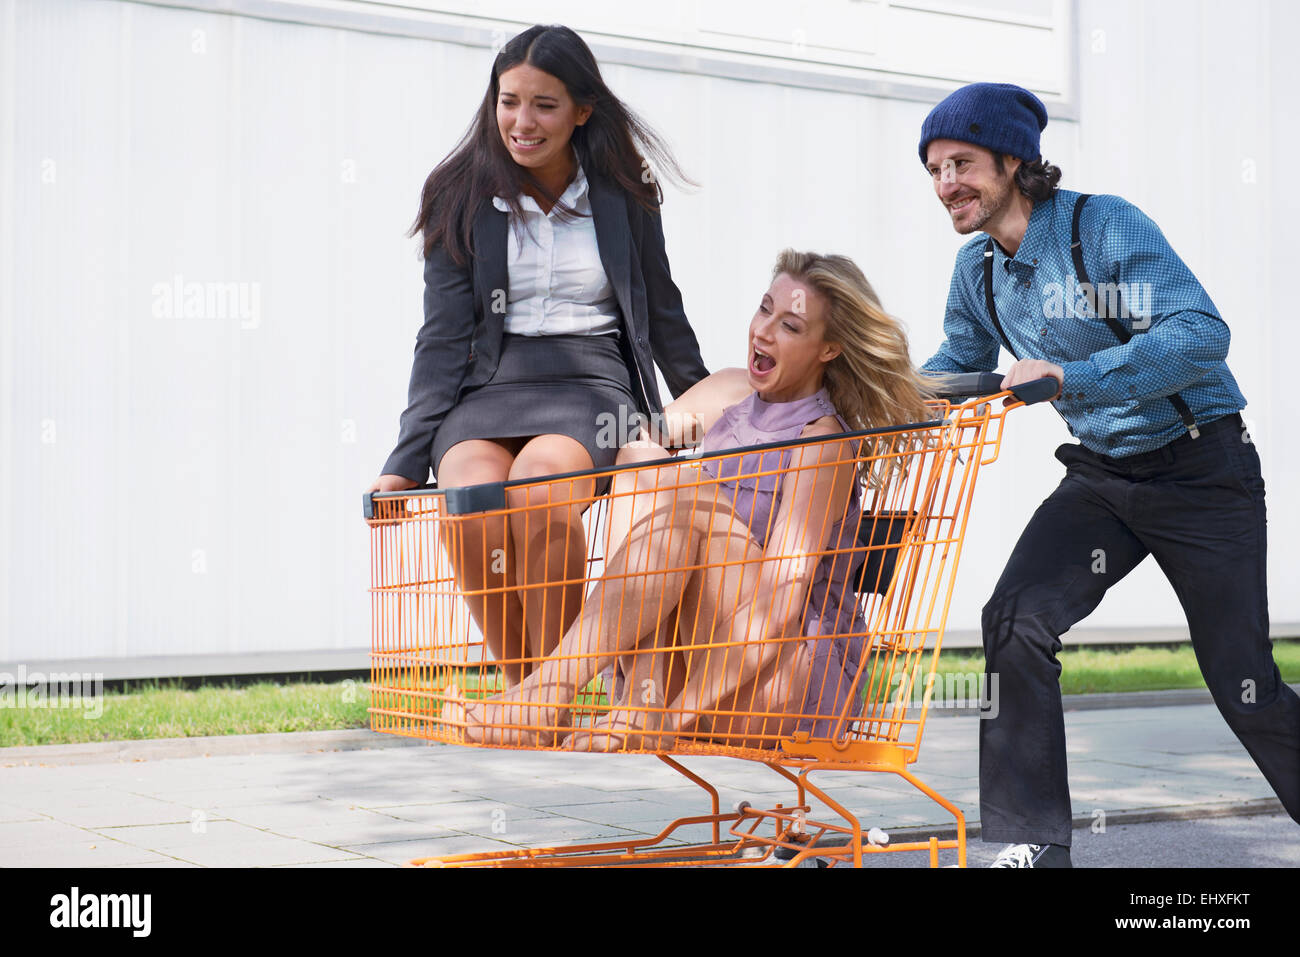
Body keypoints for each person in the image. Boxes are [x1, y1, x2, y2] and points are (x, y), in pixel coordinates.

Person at [917, 82, 1299, 867]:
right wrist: (861, 390)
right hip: (1102, 478)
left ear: (1013, 162)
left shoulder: (1101, 227)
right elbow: (957, 368)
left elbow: (1199, 333)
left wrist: (1072, 376)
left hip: (1201, 467)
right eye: (932, 168)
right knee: (1016, 620)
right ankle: (1033, 844)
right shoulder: (977, 270)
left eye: (961, 162)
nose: (945, 183)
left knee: (1243, 682)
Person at [444, 249, 933, 750]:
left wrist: (673, 720)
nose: (763, 332)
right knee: (641, 457)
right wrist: (532, 461)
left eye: (790, 325)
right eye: (764, 309)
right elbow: (628, 448)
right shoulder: (729, 391)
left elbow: (780, 603)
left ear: (828, 349)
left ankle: (558, 695)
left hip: (783, 683)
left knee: (684, 493)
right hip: (696, 660)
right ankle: (625, 699)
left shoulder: (821, 442)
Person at [366, 25, 710, 685]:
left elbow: (662, 311)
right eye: (508, 101)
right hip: (488, 386)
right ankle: (523, 688)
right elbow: (440, 337)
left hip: (589, 383)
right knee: (470, 504)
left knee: (540, 494)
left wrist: (703, 405)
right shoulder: (459, 192)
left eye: (544, 105)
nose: (521, 122)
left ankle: (550, 693)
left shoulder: (623, 192)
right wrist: (404, 464)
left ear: (583, 109)